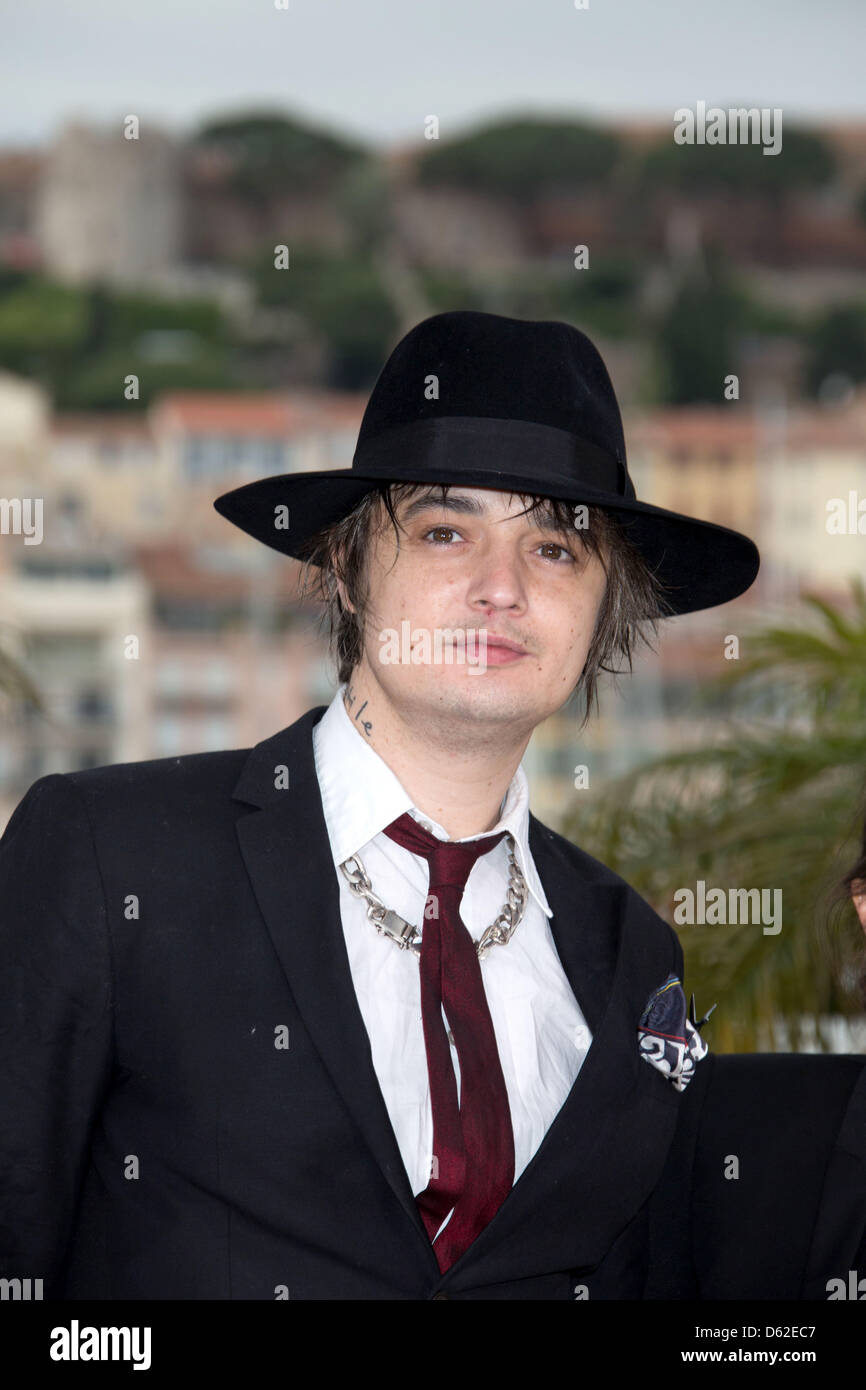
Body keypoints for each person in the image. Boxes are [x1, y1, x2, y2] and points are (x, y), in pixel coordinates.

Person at [1, 310, 864, 1300]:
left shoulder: (630, 956)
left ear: (602, 612)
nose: (498, 587)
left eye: (555, 548)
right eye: (444, 530)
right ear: (345, 570)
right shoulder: (115, 857)